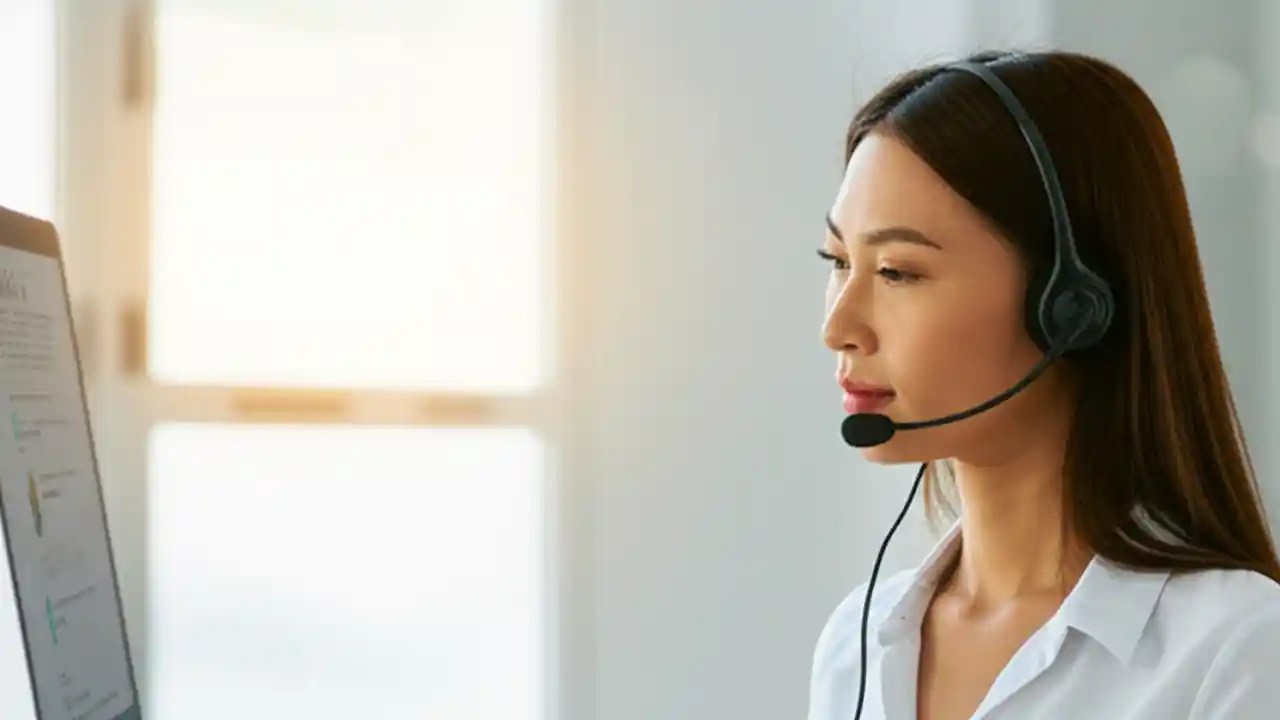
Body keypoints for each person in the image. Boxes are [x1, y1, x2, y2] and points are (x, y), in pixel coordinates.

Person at [809, 50, 1280, 720]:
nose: (838, 327)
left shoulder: (1237, 648)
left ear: (1070, 307)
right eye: (837, 261)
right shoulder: (856, 645)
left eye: (896, 272)